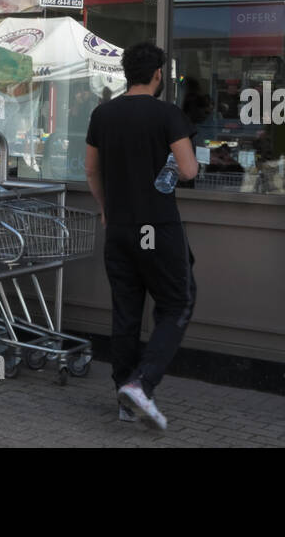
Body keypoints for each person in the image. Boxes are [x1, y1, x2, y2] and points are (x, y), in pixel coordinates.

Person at [85, 42, 198, 432]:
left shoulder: (103, 114)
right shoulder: (168, 114)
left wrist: (104, 208)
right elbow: (187, 170)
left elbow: (90, 170)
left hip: (118, 228)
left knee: (126, 310)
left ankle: (124, 396)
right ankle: (141, 383)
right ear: (156, 75)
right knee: (178, 302)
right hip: (157, 228)